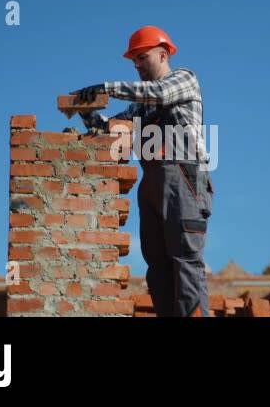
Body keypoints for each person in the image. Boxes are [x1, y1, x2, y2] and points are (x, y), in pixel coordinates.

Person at [72, 26, 214, 317]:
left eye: (141, 57)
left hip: (183, 179)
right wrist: (86, 109)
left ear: (163, 54)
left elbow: (159, 94)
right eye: (133, 60)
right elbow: (107, 129)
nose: (136, 64)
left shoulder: (184, 79)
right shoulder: (140, 107)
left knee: (184, 261)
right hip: (152, 183)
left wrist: (106, 88)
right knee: (158, 267)